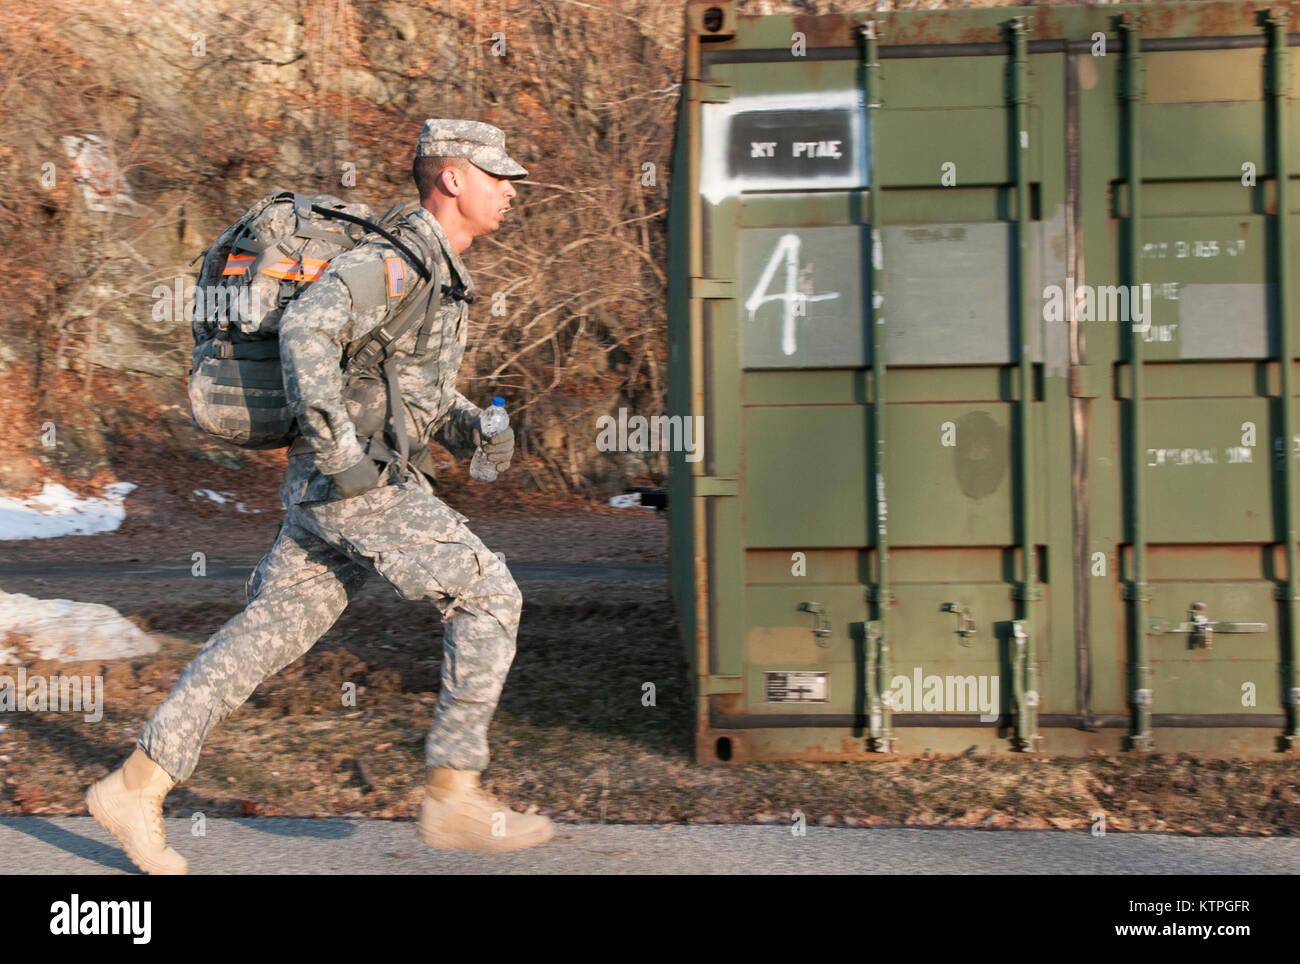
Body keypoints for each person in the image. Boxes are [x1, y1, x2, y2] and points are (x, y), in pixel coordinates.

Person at [85, 119, 553, 874]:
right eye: (496, 175)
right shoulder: (396, 262)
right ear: (452, 179)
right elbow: (308, 327)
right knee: (490, 595)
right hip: (356, 484)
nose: (509, 190)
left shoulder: (432, 269)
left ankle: (135, 786)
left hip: (332, 487)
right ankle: (454, 790)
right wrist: (343, 456)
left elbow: (405, 386)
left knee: (260, 638)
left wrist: (471, 428)